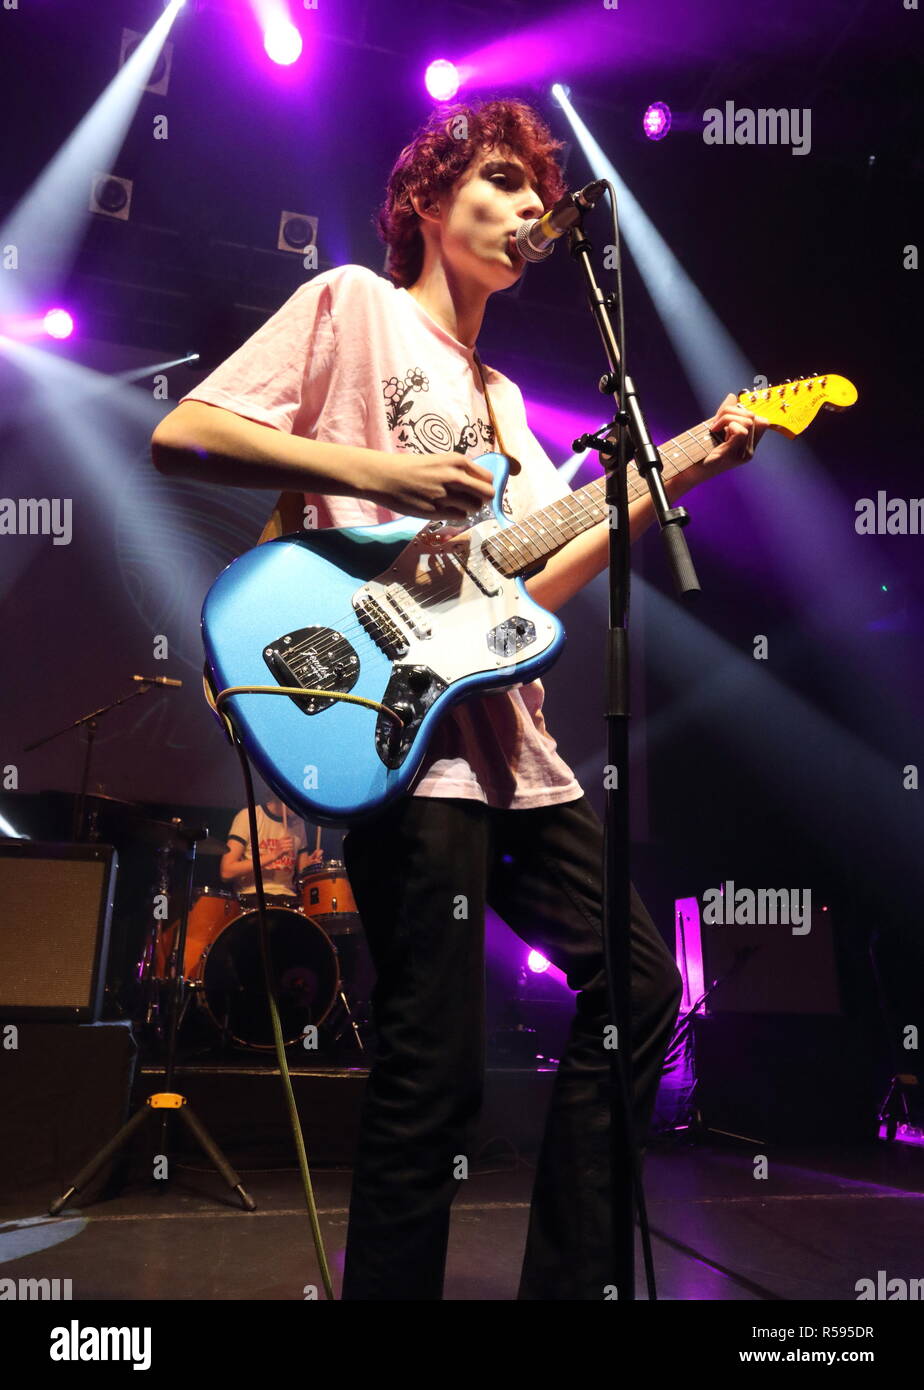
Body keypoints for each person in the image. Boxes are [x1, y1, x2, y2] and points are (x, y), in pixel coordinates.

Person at [151, 97, 766, 1299]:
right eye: (501, 180)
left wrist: (678, 466)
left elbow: (538, 576)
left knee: (639, 991)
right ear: (427, 201)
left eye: (541, 191)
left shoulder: (509, 406)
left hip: (513, 752)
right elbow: (186, 432)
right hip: (402, 737)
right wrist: (375, 471)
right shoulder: (355, 305)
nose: (534, 206)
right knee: (434, 1072)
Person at [220, 797, 322, 901]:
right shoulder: (249, 816)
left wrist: (310, 866)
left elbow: (301, 874)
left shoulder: (298, 823)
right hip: (252, 896)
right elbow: (227, 871)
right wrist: (273, 855)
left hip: (289, 898)